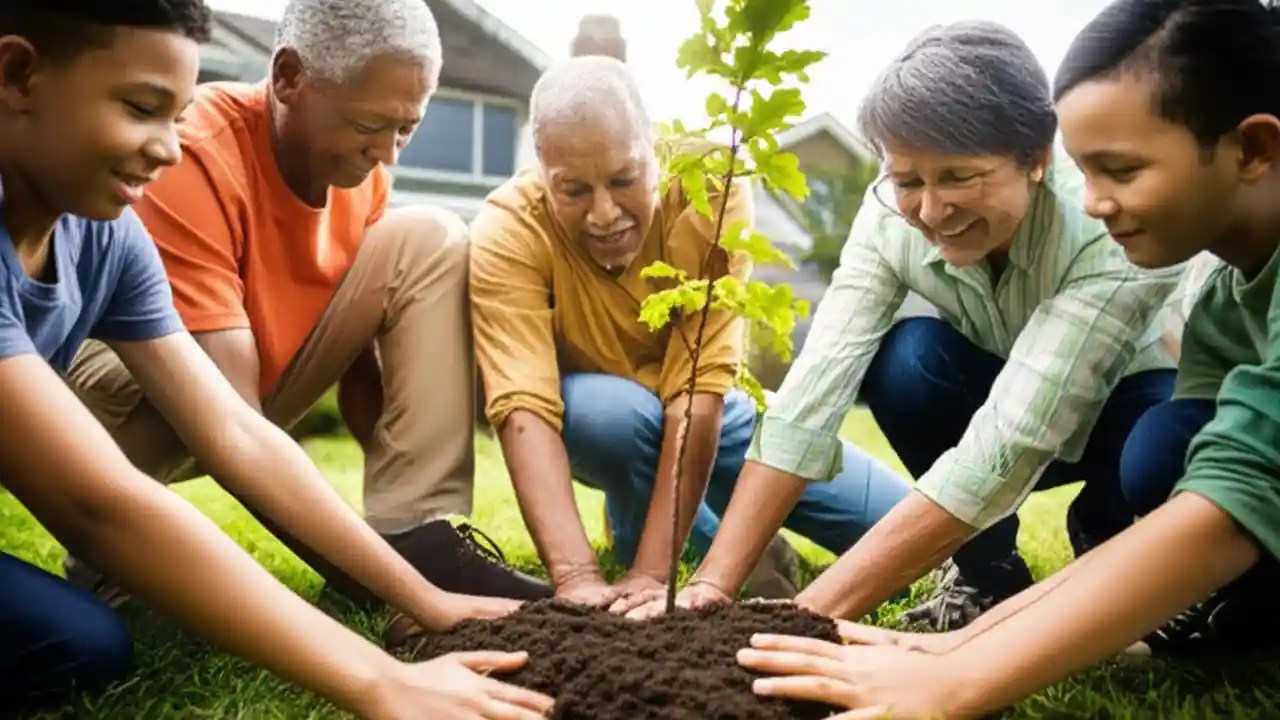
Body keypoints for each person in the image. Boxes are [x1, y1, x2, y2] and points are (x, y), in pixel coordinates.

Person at [0, 3, 552, 718]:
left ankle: (419, 555)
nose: (166, 148)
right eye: (142, 108)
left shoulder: (107, 237)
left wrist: (424, 600)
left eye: (176, 115)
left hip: (180, 415)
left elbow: (236, 432)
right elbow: (105, 502)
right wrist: (380, 683)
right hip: (102, 434)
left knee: (84, 646)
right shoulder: (194, 169)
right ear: (17, 75)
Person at [732, 1, 1280, 716]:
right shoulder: (1222, 295)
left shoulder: (1135, 257)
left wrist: (955, 680)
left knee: (1156, 449)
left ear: (1254, 150)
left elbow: (1232, 506)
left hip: (1116, 404)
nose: (1094, 203)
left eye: (1119, 169)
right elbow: (1223, 490)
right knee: (1171, 453)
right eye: (1086, 172)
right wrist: (962, 644)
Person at [621, 18, 1186, 629]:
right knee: (909, 363)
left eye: (960, 177)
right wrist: (714, 585)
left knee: (1155, 452)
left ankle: (1111, 526)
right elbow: (811, 396)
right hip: (1005, 392)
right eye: (909, 180)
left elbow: (1016, 435)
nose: (932, 210)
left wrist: (804, 618)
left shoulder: (1101, 221)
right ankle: (986, 574)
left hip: (1133, 402)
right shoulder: (888, 217)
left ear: (1037, 158)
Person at [468, 55, 910, 609]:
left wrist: (654, 572)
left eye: (623, 180)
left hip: (716, 411)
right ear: (542, 168)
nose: (604, 213)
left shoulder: (709, 184)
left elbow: (699, 390)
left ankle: (665, 531)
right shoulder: (509, 228)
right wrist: (576, 577)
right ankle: (673, 532)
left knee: (905, 533)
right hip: (603, 417)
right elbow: (524, 408)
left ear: (651, 150)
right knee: (616, 415)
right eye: (574, 190)